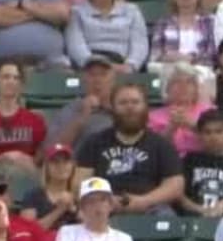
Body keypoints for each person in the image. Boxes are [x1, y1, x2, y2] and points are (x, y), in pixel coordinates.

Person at [74, 81, 185, 216]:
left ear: (145, 107)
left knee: (166, 216)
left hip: (150, 207)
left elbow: (175, 185)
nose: (130, 107)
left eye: (135, 102)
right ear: (112, 108)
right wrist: (104, 199)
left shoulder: (161, 144)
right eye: (123, 103)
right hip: (104, 206)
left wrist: (144, 201)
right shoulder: (94, 142)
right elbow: (79, 182)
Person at [65, 0, 147, 72]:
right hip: (89, 66)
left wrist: (130, 65)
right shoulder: (77, 12)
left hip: (122, 64)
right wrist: (91, 64)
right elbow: (75, 44)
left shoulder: (132, 11)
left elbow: (140, 43)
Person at [148, 0, 218, 79]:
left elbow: (213, 56)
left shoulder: (210, 22)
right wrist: (172, 60)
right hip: (170, 72)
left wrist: (188, 59)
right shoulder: (163, 23)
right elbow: (155, 56)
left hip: (200, 72)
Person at [39, 53, 114, 153]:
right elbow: (50, 151)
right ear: (84, 79)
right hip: (79, 166)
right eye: (92, 75)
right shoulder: (71, 109)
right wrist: (80, 119)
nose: (97, 80)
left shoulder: (124, 108)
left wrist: (113, 111)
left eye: (103, 74)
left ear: (112, 79)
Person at [54, 176, 132, 241]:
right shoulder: (67, 232)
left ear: (111, 205)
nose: (97, 205)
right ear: (82, 207)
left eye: (102, 200)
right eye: (91, 201)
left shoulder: (123, 239)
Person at [149, 63, 213, 157]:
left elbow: (218, 144)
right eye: (176, 82)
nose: (183, 86)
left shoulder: (210, 112)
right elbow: (152, 150)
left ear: (196, 88)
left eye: (189, 82)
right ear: (166, 88)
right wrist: (171, 128)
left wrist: (193, 126)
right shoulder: (153, 117)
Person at [19, 144, 78, 231]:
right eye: (55, 162)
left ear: (72, 166)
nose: (61, 166)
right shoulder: (33, 195)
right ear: (46, 167)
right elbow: (27, 230)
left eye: (66, 161)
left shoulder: (81, 197)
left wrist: (74, 210)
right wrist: (60, 210)